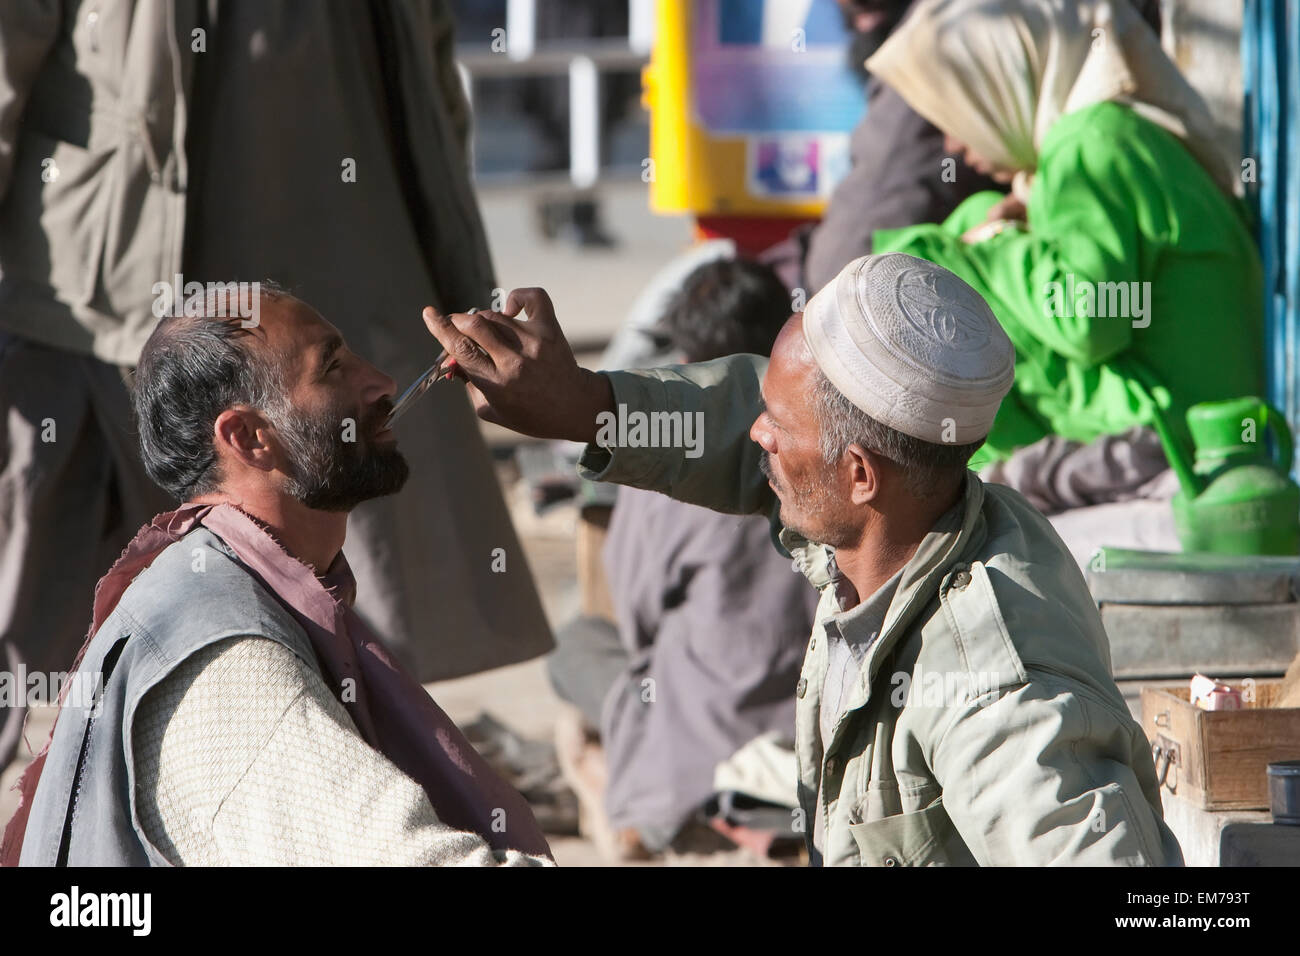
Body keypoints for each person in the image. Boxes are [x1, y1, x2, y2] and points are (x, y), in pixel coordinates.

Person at [420, 258, 1184, 866]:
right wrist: (583, 402)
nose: (757, 436)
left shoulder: (993, 699)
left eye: (779, 424)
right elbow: (732, 424)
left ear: (858, 473)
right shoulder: (896, 517)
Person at [0, 3, 551, 772]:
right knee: (34, 599)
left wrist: (459, 272)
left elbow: (430, 83)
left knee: (345, 605)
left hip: (349, 227)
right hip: (106, 279)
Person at [1, 287, 554, 867]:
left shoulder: (238, 581)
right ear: (248, 437)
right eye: (333, 367)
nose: (382, 383)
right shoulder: (225, 658)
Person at [862, 0, 1264, 473]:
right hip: (1193, 418)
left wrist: (995, 243)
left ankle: (972, 476)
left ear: (999, 81)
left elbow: (1089, 317)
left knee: (919, 264)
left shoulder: (1087, 144)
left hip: (1174, 432)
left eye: (950, 110)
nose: (952, 144)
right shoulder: (1098, 137)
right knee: (957, 232)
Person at [547, 258, 816, 858]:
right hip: (811, 715)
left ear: (691, 357)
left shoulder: (672, 450)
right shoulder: (830, 431)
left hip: (704, 751)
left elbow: (637, 615)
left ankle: (640, 802)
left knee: (575, 646)